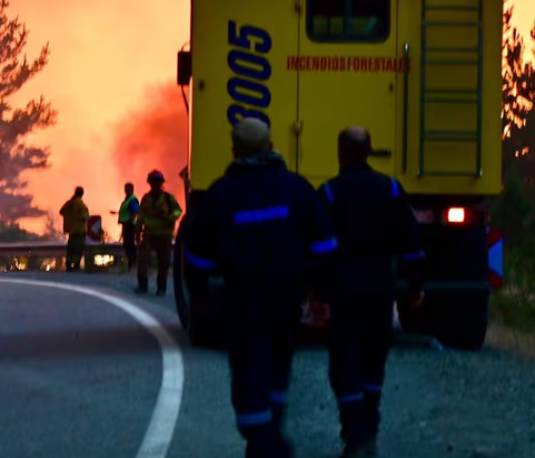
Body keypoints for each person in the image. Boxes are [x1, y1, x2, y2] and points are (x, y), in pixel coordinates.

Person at [187, 117, 337, 458]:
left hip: (241, 302)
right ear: (270, 145)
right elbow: (326, 249)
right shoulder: (297, 189)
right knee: (279, 369)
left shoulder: (220, 195)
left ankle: (265, 443)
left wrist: (200, 297)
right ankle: (269, 436)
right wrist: (322, 294)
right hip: (287, 300)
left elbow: (197, 258)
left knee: (248, 374)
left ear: (235, 150)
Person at [319, 126, 425, 457]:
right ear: (369, 151)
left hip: (344, 293)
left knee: (345, 366)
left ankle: (356, 438)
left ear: (340, 153)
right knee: (374, 363)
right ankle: (370, 430)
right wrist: (415, 286)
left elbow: (318, 250)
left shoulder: (329, 193)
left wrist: (318, 295)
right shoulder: (391, 189)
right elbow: (412, 244)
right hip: (381, 291)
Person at [137, 169, 182, 295]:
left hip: (164, 234)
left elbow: (178, 211)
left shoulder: (168, 198)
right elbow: (140, 217)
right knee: (143, 260)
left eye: (157, 182)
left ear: (161, 183)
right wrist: (138, 233)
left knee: (164, 262)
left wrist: (168, 217)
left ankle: (161, 288)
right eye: (152, 182)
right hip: (149, 234)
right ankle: (142, 286)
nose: (154, 184)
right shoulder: (146, 199)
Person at [60, 187, 90, 272]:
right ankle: (76, 265)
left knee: (71, 249)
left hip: (71, 231)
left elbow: (62, 211)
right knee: (78, 249)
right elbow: (85, 217)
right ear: (82, 194)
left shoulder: (69, 203)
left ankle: (68, 266)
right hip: (80, 231)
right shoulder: (81, 204)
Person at [117, 183, 141, 270]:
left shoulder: (132, 200)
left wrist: (130, 221)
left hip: (130, 225)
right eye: (126, 188)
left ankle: (133, 262)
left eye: (128, 188)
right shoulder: (127, 200)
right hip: (126, 225)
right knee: (127, 245)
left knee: (129, 245)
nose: (126, 190)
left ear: (132, 189)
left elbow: (134, 212)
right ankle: (131, 263)